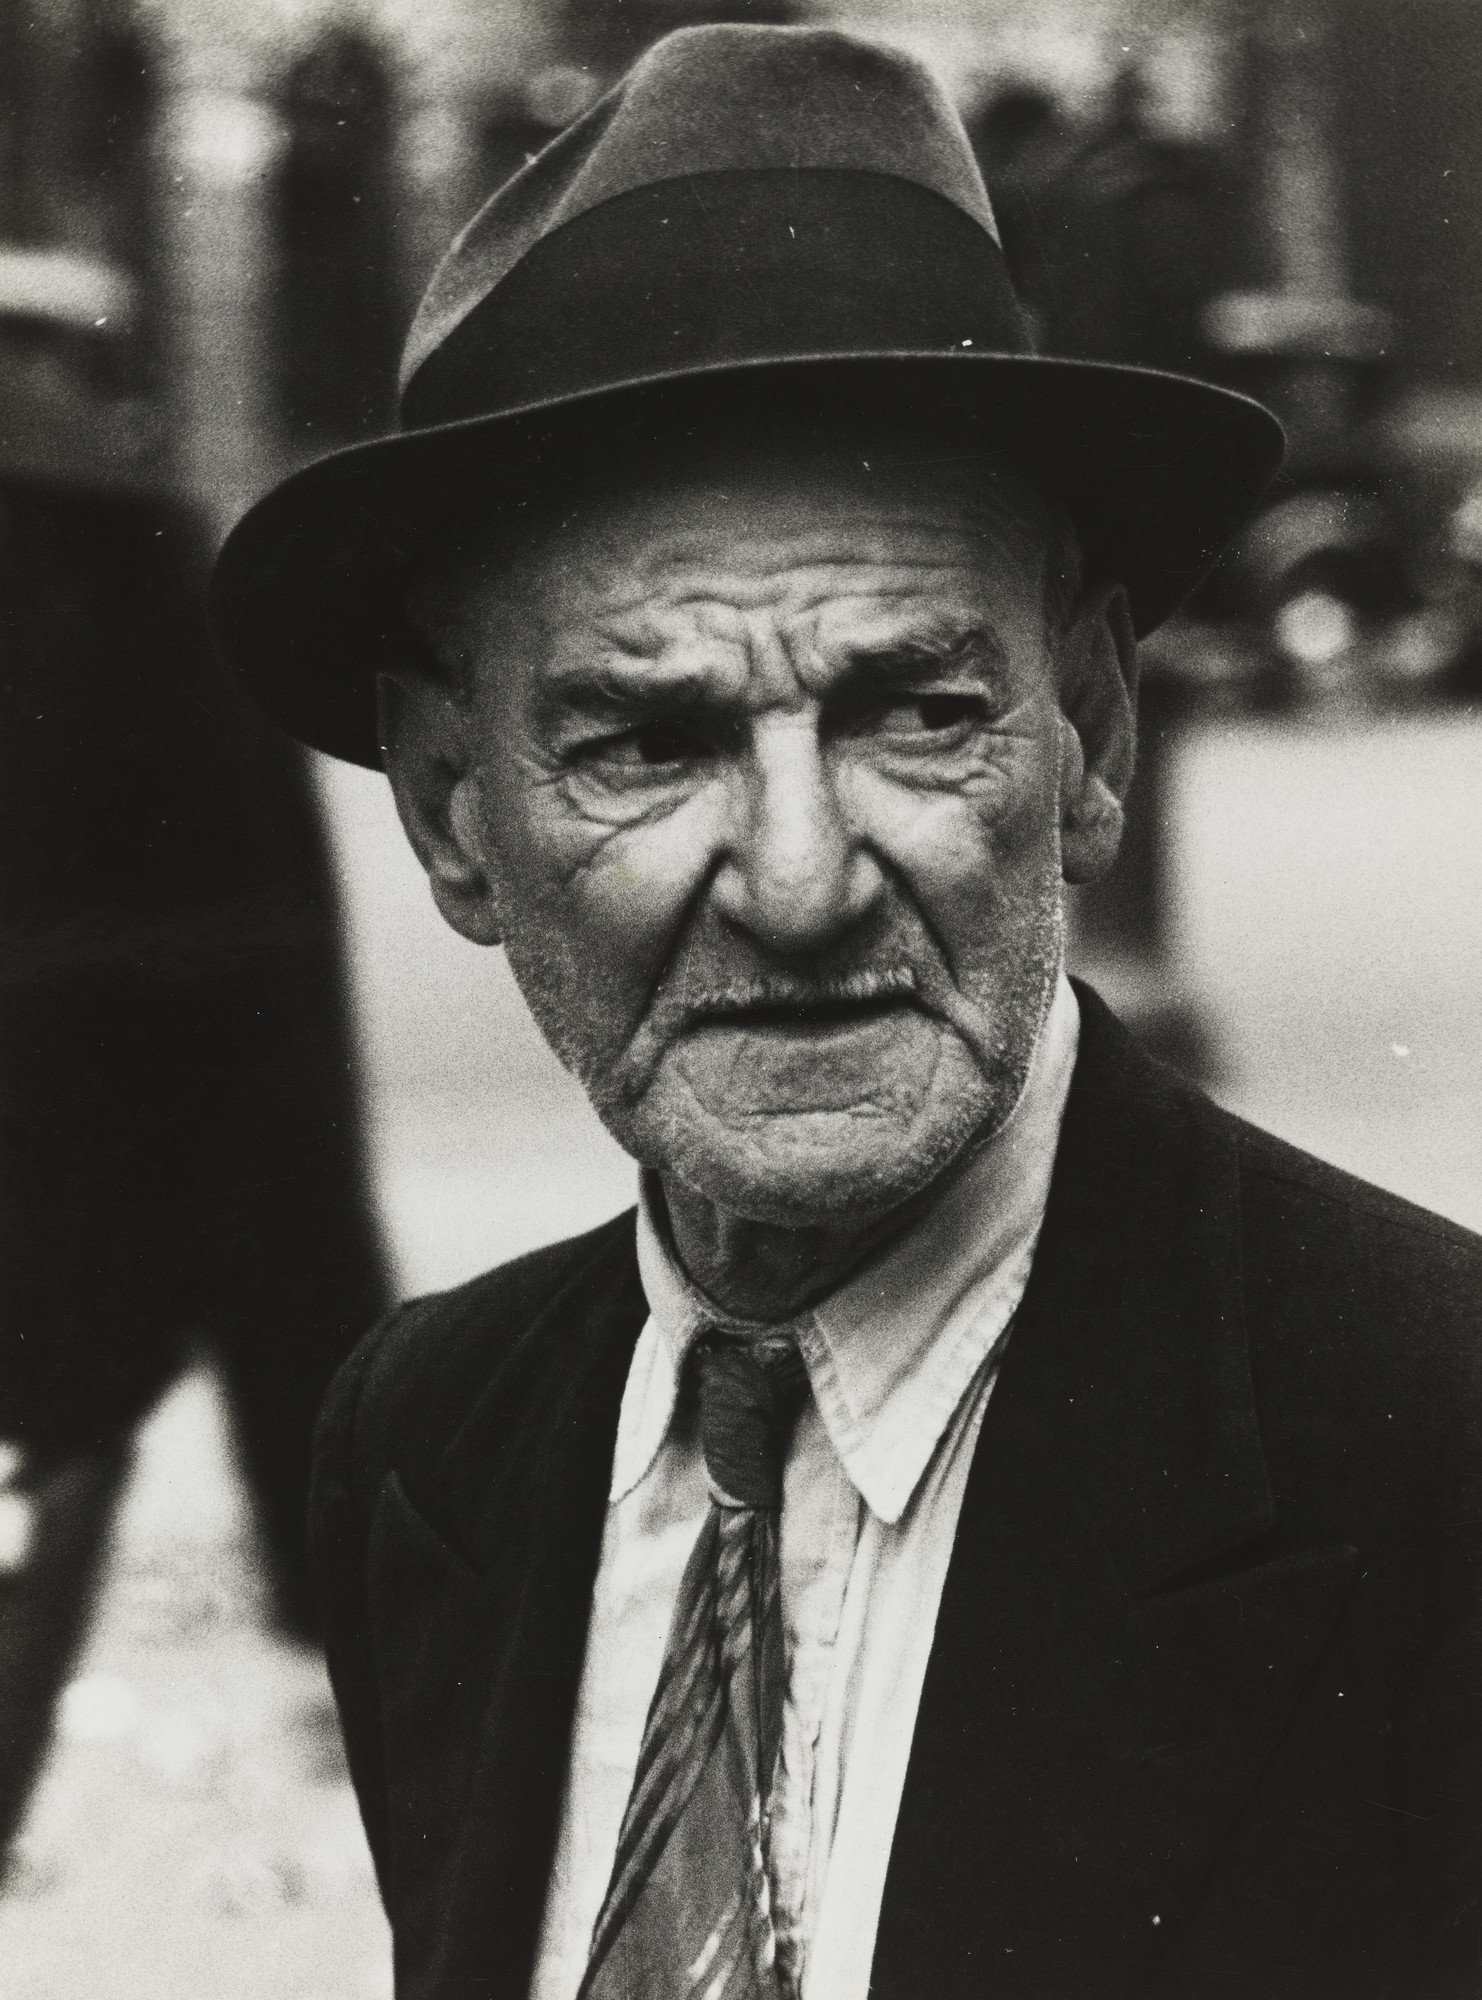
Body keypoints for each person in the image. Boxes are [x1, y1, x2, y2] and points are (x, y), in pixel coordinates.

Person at [209, 25, 1482, 2000]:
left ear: (1093, 732)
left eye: (917, 708)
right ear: (461, 821)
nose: (803, 881)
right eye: (650, 736)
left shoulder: (1434, 1447)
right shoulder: (428, 1442)